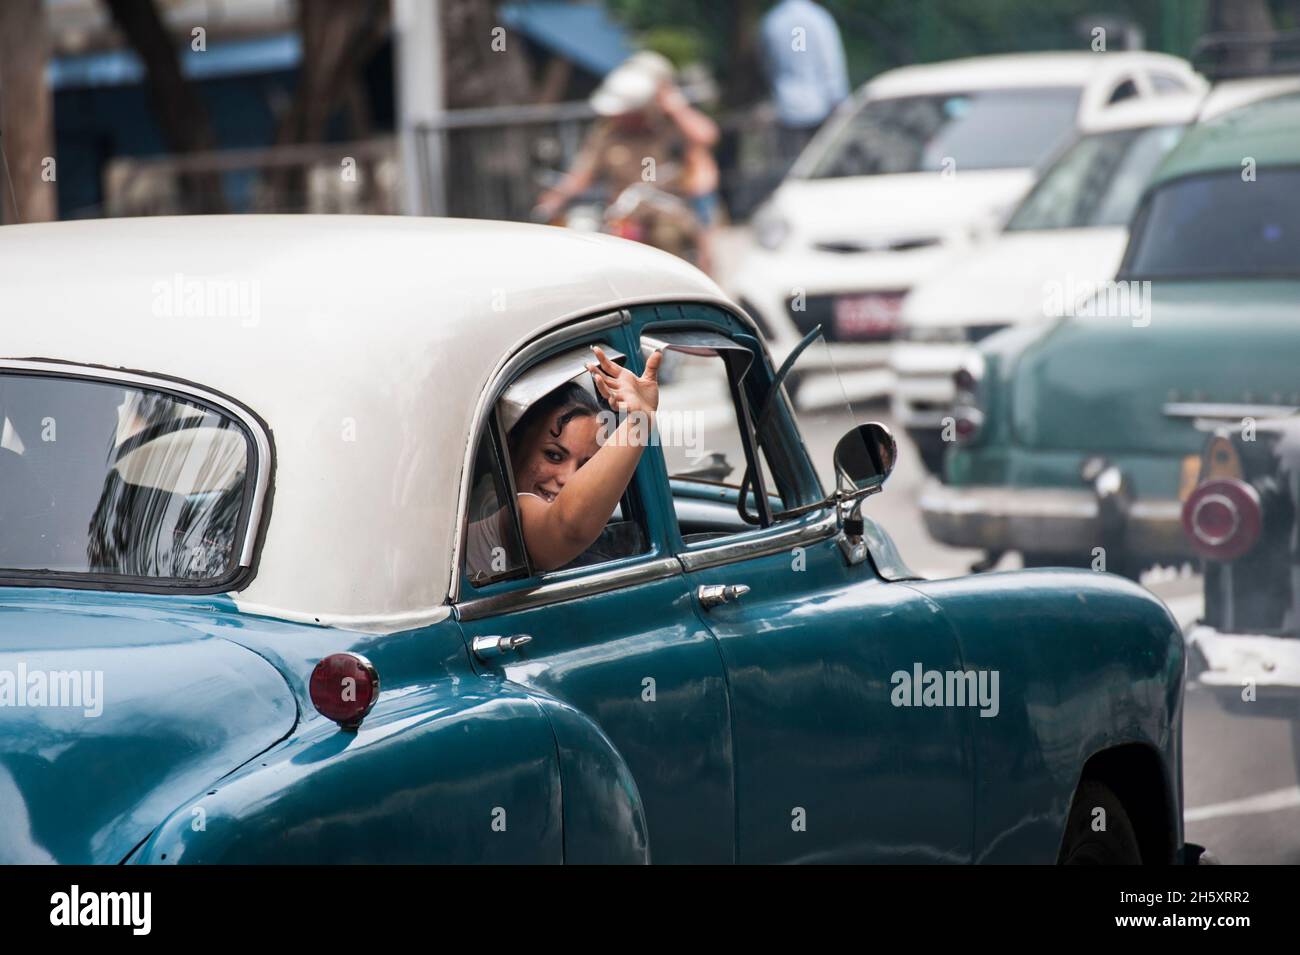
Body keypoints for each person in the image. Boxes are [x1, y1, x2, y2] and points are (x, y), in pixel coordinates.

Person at [466, 347, 662, 576]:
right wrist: (639, 423)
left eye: (586, 466)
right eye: (554, 455)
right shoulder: (497, 510)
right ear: (511, 444)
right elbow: (568, 528)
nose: (568, 478)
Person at [535, 51, 721, 274]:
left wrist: (674, 105)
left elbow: (706, 137)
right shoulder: (607, 136)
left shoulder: (670, 128)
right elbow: (581, 175)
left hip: (672, 214)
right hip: (625, 217)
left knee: (668, 240)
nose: (617, 117)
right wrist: (552, 201)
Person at [759, 0, 850, 167]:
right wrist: (841, 103)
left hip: (786, 110)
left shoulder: (772, 21)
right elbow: (831, 64)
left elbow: (768, 66)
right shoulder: (818, 18)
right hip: (820, 109)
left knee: (791, 169)